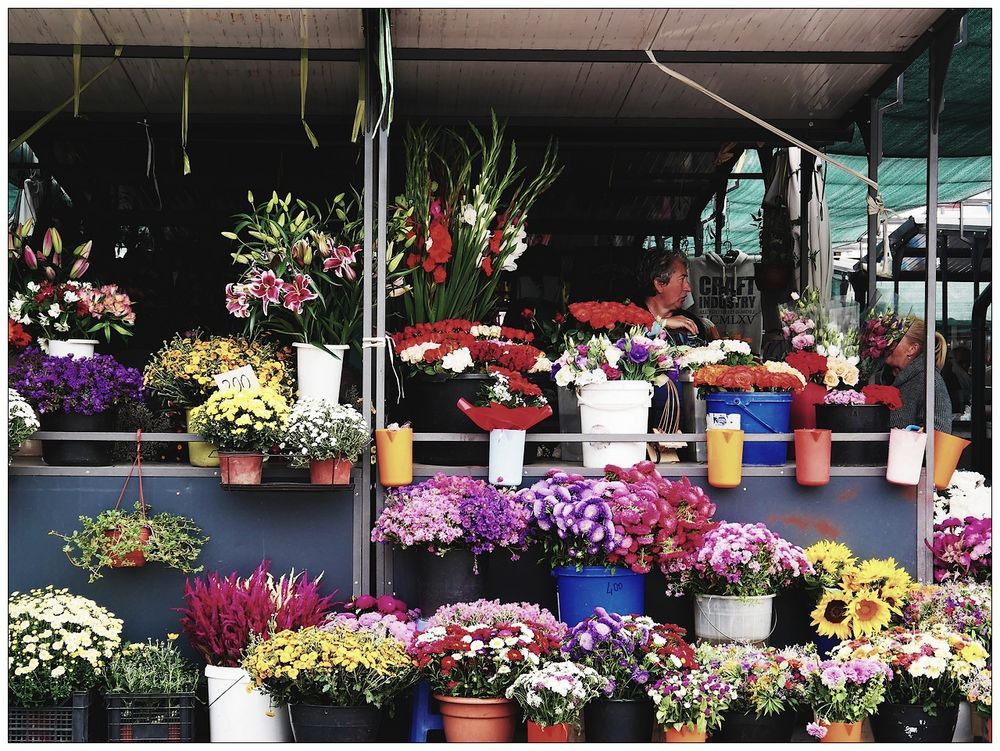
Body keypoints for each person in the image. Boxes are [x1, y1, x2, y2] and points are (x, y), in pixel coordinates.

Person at [878, 318, 953, 433]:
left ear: (912, 349)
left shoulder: (930, 382)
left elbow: (938, 435)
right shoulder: (882, 377)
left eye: (894, 340)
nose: (886, 344)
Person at [638, 248, 710, 345]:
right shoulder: (626, 319)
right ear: (659, 284)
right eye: (682, 280)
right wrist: (662, 323)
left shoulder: (690, 322)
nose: (688, 288)